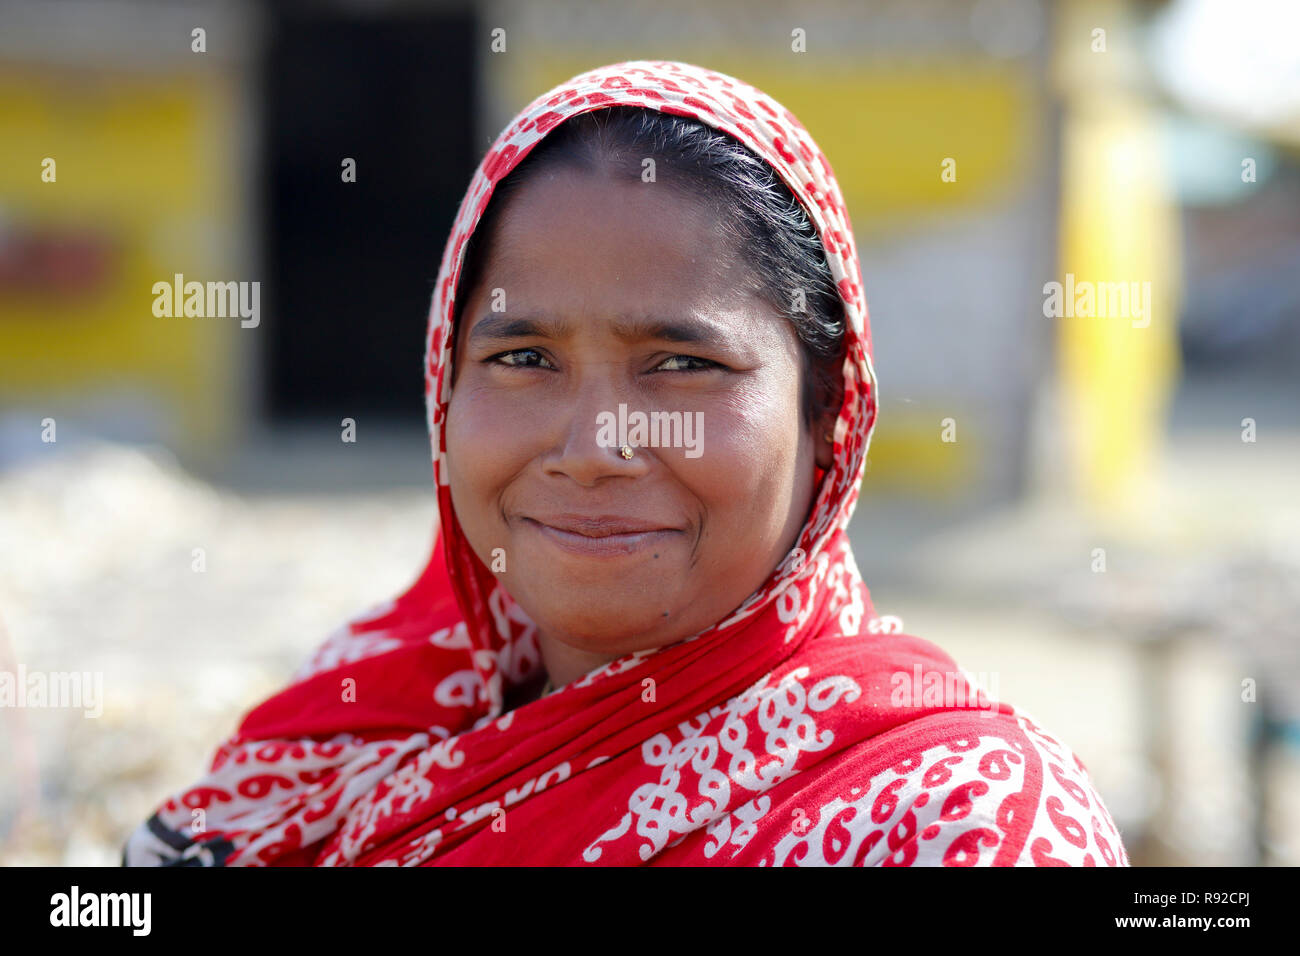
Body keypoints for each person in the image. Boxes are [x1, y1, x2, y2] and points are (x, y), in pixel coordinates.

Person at [123, 59, 1128, 866]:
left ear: (829, 408)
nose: (593, 448)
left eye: (681, 364)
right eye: (522, 358)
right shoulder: (359, 726)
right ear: (444, 379)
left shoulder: (959, 817)